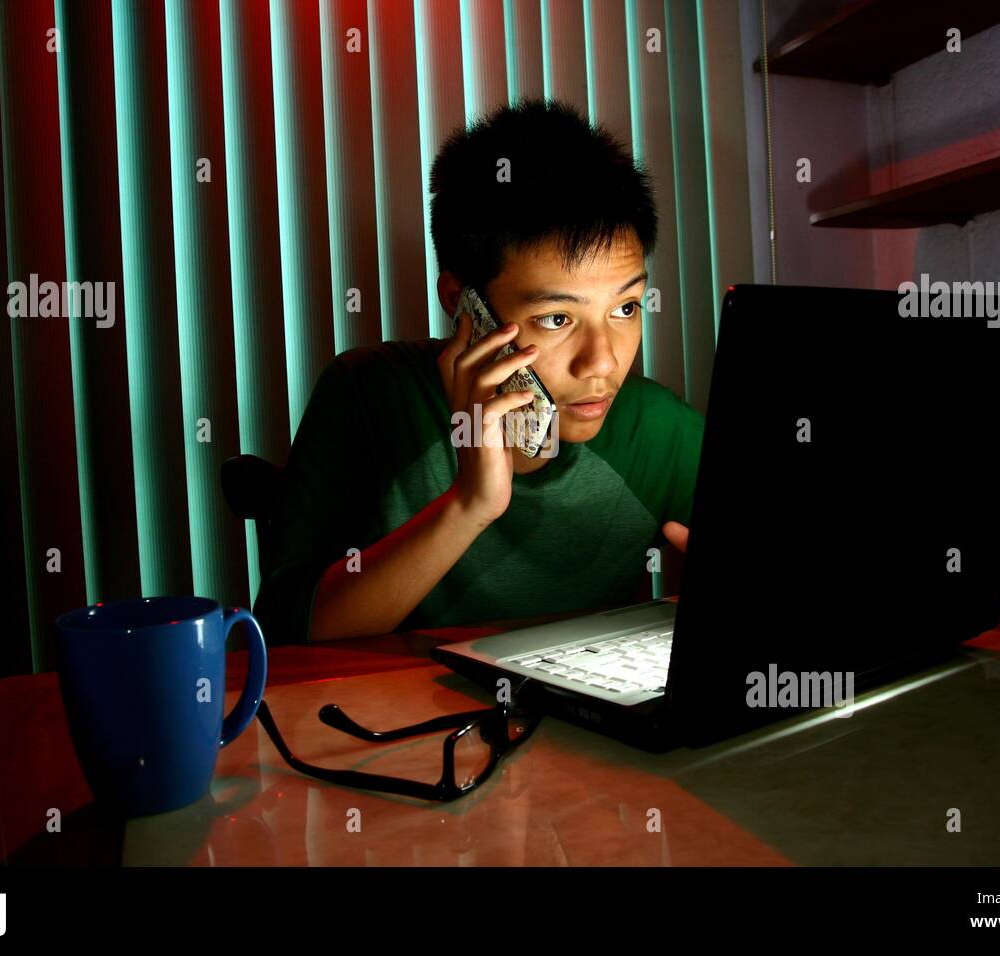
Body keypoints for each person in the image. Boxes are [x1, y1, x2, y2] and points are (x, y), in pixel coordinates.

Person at [254, 97, 702, 643]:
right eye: (557, 317)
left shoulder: (660, 428)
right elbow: (287, 636)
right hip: (397, 716)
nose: (603, 363)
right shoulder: (370, 393)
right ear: (464, 304)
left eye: (626, 308)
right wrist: (470, 504)